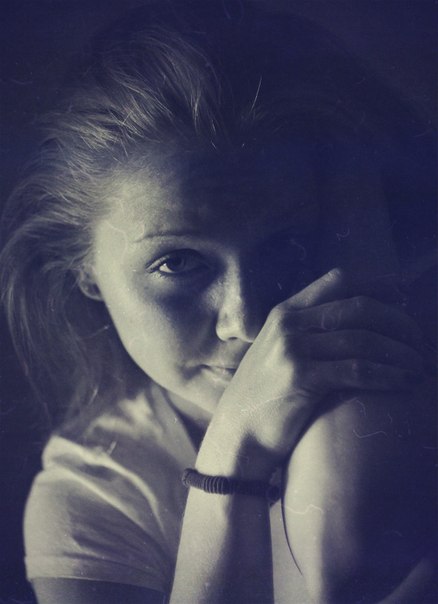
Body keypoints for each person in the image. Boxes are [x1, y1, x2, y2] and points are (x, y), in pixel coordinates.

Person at [0, 1, 435, 602]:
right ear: (86, 273)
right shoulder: (97, 496)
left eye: (286, 246)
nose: (250, 322)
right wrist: (234, 453)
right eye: (177, 262)